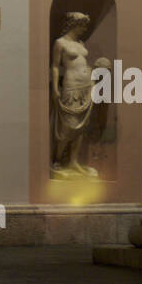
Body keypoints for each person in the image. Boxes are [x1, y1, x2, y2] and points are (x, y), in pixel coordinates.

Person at [50, 11, 99, 177]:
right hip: (71, 86)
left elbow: (84, 64)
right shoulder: (60, 43)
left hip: (86, 86)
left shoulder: (81, 44)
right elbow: (55, 66)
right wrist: (55, 88)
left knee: (81, 127)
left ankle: (73, 161)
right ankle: (57, 159)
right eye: (82, 25)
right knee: (67, 125)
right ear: (74, 25)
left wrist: (92, 81)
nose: (84, 29)